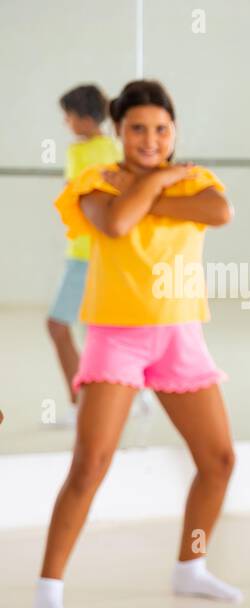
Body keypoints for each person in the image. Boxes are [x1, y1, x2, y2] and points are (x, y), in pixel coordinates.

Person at [35, 79, 240, 608]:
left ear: (174, 131)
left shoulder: (195, 177)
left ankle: (190, 566)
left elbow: (219, 211)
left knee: (218, 461)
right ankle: (49, 587)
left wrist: (155, 183)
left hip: (180, 335)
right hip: (117, 335)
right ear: (118, 132)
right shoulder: (94, 179)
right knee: (91, 464)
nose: (151, 139)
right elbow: (117, 222)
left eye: (162, 129)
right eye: (138, 129)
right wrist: (165, 188)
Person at [46, 84, 122, 424]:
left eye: (70, 115)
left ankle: (83, 406)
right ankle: (114, 401)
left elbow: (81, 200)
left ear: (86, 117)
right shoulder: (111, 149)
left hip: (90, 255)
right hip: (95, 253)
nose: (66, 122)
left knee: (60, 326)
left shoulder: (87, 152)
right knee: (96, 333)